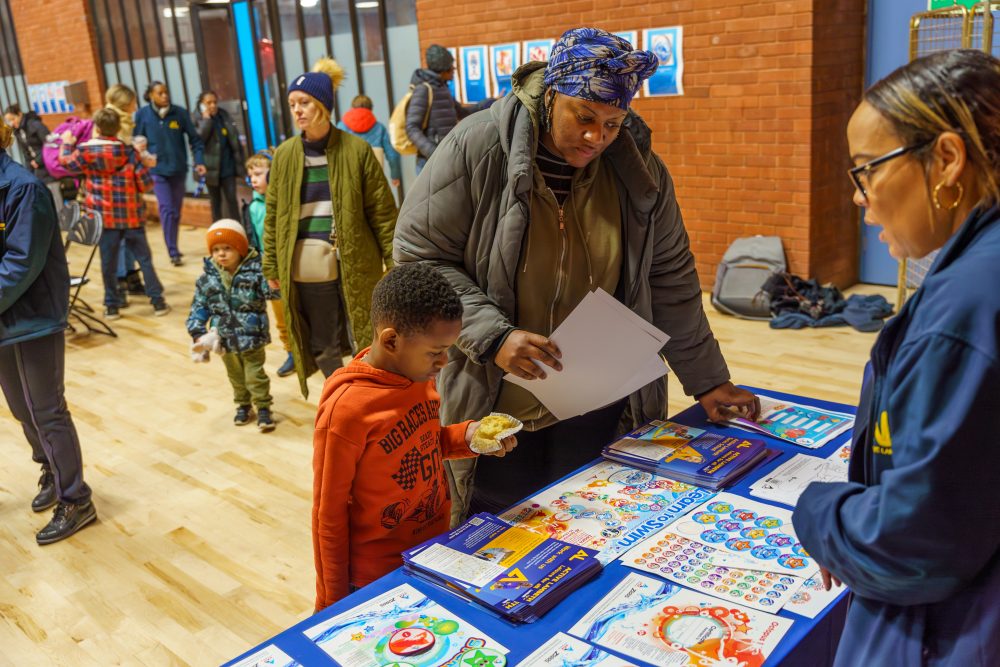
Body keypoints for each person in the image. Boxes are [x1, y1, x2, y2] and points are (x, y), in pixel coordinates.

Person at [394, 28, 759, 524]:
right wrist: (493, 336)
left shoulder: (639, 172)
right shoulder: (476, 147)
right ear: (550, 96)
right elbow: (419, 259)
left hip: (599, 400)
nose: (596, 138)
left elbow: (669, 280)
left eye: (613, 123)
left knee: (593, 524)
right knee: (505, 532)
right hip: (497, 402)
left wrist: (709, 381)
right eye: (583, 117)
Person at [791, 49, 1000, 666]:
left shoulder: (966, 307)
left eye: (866, 170)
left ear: (947, 158)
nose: (860, 198)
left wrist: (820, 514)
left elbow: (916, 543)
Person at [312, 263, 516, 610]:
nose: (444, 361)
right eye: (436, 352)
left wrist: (468, 437)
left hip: (433, 550)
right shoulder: (346, 411)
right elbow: (327, 516)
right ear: (391, 340)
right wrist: (331, 604)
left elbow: (424, 445)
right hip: (377, 575)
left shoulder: (419, 376)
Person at [262, 58, 397, 399]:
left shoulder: (357, 151)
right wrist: (271, 265)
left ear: (322, 105)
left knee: (364, 336)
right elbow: (273, 214)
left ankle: (369, 395)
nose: (297, 110)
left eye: (304, 102)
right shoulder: (285, 155)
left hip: (355, 262)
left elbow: (382, 213)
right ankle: (341, 397)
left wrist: (395, 262)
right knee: (323, 342)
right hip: (308, 265)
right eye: (293, 104)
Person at [0, 115, 97, 545]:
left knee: (46, 409)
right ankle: (51, 471)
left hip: (33, 317)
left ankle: (76, 498)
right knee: (21, 408)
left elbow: (22, 262)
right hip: (4, 317)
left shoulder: (23, 188)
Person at [58, 108, 169, 320]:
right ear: (118, 128)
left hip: (104, 219)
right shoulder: (129, 152)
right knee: (144, 260)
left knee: (108, 263)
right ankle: (158, 302)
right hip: (132, 216)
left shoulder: (85, 151)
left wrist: (67, 143)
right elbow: (146, 184)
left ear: (97, 128)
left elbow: (65, 162)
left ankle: (112, 306)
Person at [187, 220, 277, 432]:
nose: (221, 254)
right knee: (235, 376)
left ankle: (263, 407)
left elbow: (272, 293)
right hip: (224, 339)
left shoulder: (256, 272)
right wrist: (197, 331)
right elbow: (199, 306)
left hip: (252, 336)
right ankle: (243, 405)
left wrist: (274, 280)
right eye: (216, 249)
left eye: (227, 248)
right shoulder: (207, 278)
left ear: (240, 249)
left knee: (255, 375)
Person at [134, 81, 206, 266]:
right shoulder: (142, 115)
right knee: (166, 209)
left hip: (178, 169)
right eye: (160, 93)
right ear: (151, 95)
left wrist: (199, 161)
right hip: (157, 172)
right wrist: (144, 159)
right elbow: (137, 142)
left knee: (175, 212)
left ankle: (173, 245)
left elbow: (195, 140)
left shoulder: (179, 113)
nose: (165, 96)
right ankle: (173, 251)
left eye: (166, 92)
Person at [242, 149, 294, 378]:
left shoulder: (285, 202)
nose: (253, 180)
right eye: (251, 176)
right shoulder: (253, 207)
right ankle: (291, 351)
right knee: (281, 315)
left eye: (258, 174)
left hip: (291, 265)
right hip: (270, 269)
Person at [405, 44, 490, 174]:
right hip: (429, 164)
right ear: (443, 68)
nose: (454, 68)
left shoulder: (442, 88)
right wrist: (434, 153)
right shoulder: (423, 90)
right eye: (451, 65)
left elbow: (463, 112)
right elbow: (412, 128)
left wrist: (489, 102)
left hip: (445, 159)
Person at [104, 83, 148, 300]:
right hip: (116, 194)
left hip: (122, 193)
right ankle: (121, 283)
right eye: (133, 101)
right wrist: (136, 153)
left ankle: (130, 278)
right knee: (121, 242)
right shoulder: (114, 122)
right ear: (124, 103)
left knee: (127, 240)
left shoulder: (122, 120)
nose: (136, 106)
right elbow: (116, 159)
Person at [194, 90, 245, 221]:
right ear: (201, 104)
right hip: (210, 168)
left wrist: (240, 161)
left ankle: (237, 228)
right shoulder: (197, 118)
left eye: (215, 102)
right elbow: (198, 140)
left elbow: (233, 138)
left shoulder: (223, 115)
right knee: (215, 202)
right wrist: (206, 120)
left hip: (228, 166)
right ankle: (217, 229)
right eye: (208, 103)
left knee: (232, 199)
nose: (213, 105)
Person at [336, 94, 401, 189]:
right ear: (371, 109)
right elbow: (392, 155)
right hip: (374, 177)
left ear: (352, 108)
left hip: (349, 176)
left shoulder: (341, 127)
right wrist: (395, 175)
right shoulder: (379, 128)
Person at [3, 103, 60, 204]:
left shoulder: (35, 124)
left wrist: (38, 160)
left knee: (54, 195)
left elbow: (50, 144)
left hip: (47, 164)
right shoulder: (18, 131)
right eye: (9, 121)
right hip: (36, 168)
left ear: (19, 114)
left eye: (13, 119)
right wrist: (28, 173)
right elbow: (26, 153)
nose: (12, 123)